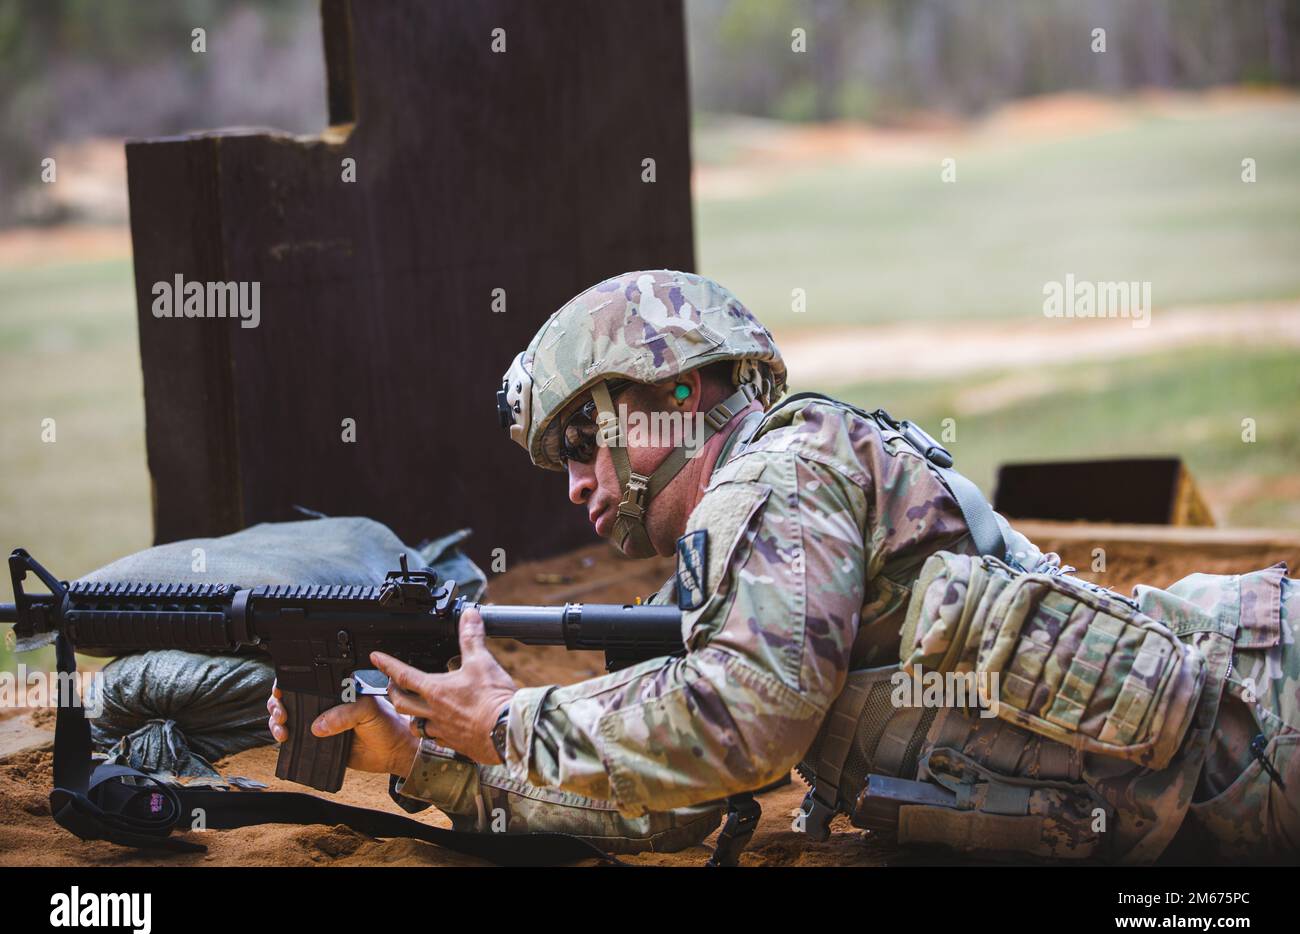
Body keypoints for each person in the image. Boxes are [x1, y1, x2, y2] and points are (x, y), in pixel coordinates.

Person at [268, 269, 1297, 863]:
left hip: (1264, 722)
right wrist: (418, 760)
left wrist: (502, 719)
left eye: (582, 444)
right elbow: (664, 797)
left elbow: (741, 721)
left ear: (662, 395)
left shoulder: (785, 471)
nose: (575, 484)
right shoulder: (741, 545)